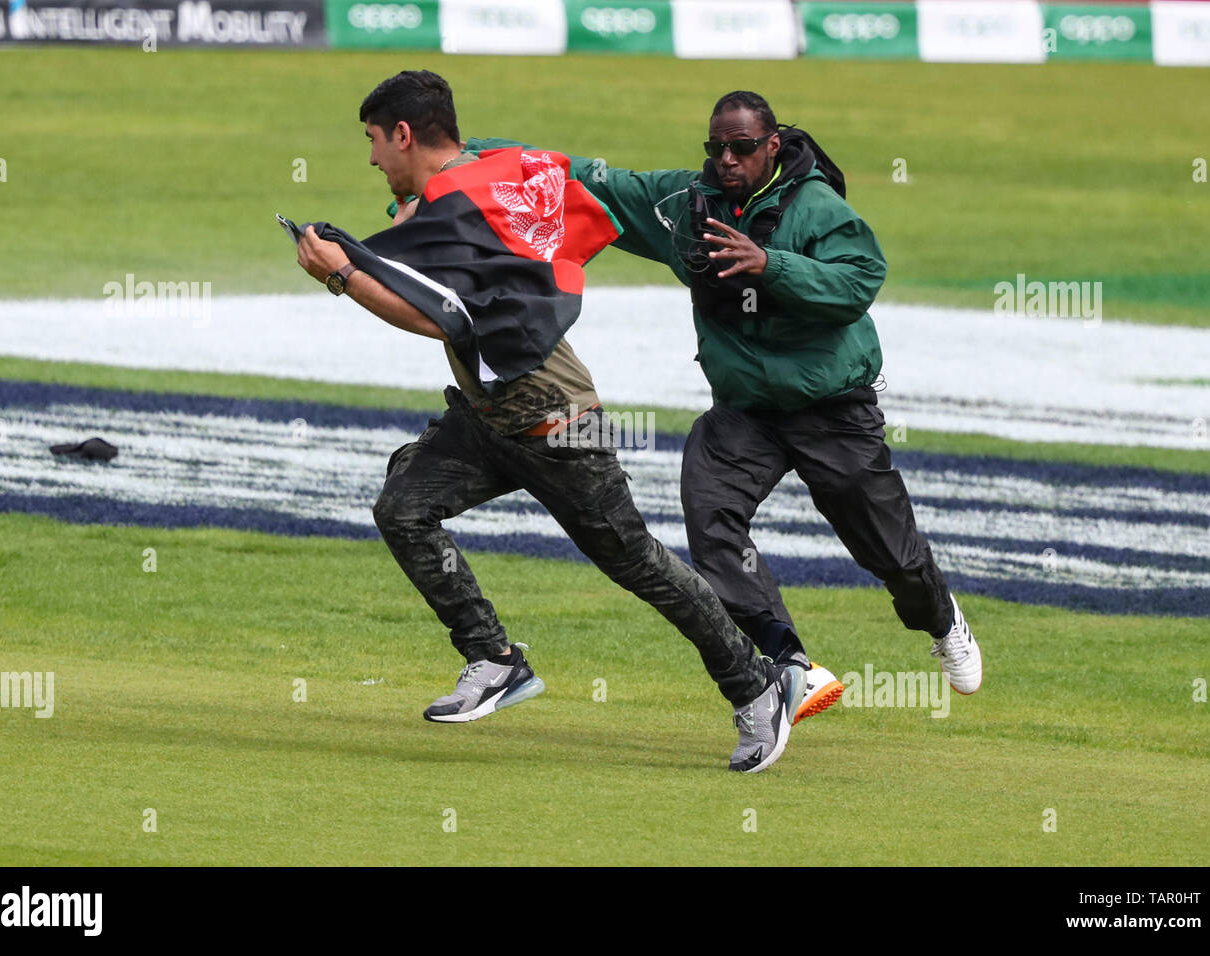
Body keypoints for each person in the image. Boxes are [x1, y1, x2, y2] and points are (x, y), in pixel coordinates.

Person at [294, 71, 838, 773]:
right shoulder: (488, 174)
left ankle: (757, 684)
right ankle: (493, 658)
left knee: (636, 562)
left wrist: (344, 277)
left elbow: (440, 318)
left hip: (555, 420)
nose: (371, 158)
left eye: (373, 140)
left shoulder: (461, 202)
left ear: (403, 134)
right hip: (490, 415)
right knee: (403, 507)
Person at [466, 90, 982, 695]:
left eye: (742, 148)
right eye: (718, 148)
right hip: (743, 413)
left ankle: (943, 622)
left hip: (832, 410)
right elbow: (595, 181)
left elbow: (859, 280)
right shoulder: (685, 205)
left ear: (770, 146)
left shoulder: (816, 207)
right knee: (711, 521)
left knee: (890, 552)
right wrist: (463, 157)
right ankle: (787, 659)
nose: (728, 159)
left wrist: (771, 265)